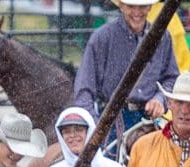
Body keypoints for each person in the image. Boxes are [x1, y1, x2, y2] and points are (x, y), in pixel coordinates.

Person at [74, 0, 179, 153]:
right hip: (110, 122)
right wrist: (96, 126)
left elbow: (172, 78)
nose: (137, 12)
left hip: (149, 120)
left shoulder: (163, 38)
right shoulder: (102, 38)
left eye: (142, 6)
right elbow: (84, 90)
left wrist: (160, 99)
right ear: (121, 6)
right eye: (131, 6)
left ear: (150, 7)